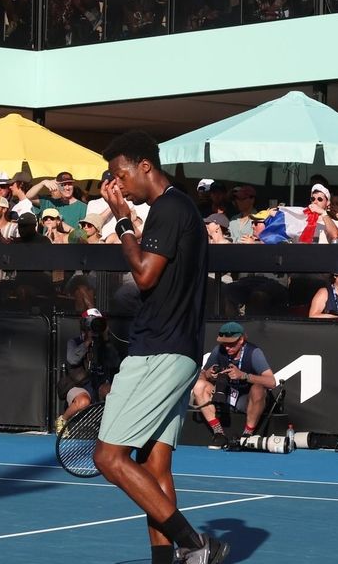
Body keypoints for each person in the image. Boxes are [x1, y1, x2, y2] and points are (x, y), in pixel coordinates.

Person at [92, 131, 228, 564]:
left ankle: (195, 544)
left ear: (144, 166)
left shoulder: (168, 208)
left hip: (158, 350)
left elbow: (145, 275)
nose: (117, 185)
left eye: (120, 174)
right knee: (154, 469)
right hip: (179, 349)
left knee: (108, 458)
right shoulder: (179, 208)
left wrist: (122, 220)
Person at [191, 321, 277, 447]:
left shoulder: (254, 352)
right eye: (224, 343)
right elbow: (201, 375)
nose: (227, 348)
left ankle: (247, 435)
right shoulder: (218, 350)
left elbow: (271, 382)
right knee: (199, 385)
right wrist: (208, 374)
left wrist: (244, 376)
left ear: (241, 340)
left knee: (258, 390)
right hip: (225, 393)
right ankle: (218, 433)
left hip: (246, 398)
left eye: (231, 344)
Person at [56, 308, 123, 433]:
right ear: (84, 324)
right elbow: (72, 359)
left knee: (113, 394)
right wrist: (87, 342)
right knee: (83, 402)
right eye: (93, 323)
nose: (95, 327)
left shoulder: (104, 344)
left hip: (99, 384)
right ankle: (62, 420)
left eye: (98, 323)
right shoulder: (75, 342)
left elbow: (115, 363)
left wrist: (106, 340)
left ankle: (111, 431)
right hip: (78, 384)